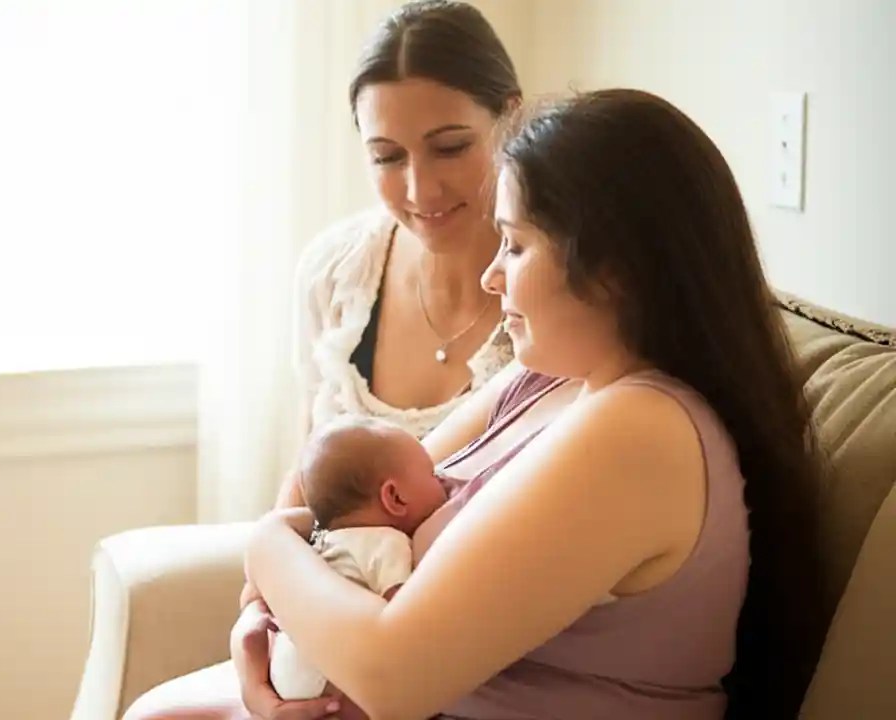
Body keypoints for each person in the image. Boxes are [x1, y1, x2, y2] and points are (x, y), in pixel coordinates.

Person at [242, 90, 828, 719]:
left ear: (615, 269)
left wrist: (266, 546)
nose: (492, 276)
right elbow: (330, 492)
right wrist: (255, 631)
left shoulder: (642, 431)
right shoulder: (547, 378)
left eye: (516, 246)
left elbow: (393, 680)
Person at [126, 1, 526, 716]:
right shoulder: (337, 274)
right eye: (387, 157)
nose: (419, 189)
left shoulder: (548, 305)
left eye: (450, 147)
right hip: (322, 643)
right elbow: (310, 484)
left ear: (510, 121)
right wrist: (254, 625)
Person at [268, 416, 447, 707]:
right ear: (395, 497)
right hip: (330, 679)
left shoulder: (321, 541)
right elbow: (406, 621)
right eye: (432, 474)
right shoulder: (387, 543)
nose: (441, 481)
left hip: (286, 667)